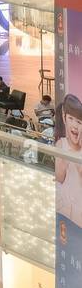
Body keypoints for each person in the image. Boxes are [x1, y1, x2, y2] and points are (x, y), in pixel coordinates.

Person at [55, 94, 82, 226]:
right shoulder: (61, 144)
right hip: (66, 212)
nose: (75, 126)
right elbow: (59, 177)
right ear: (64, 118)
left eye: (79, 122)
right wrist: (66, 156)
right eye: (71, 119)